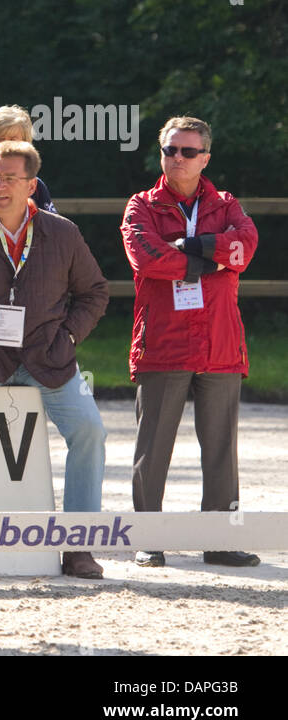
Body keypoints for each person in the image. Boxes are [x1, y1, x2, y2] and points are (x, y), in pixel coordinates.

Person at [0, 141, 109, 579]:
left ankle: (79, 547)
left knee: (90, 430)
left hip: (50, 359)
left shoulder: (62, 233)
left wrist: (67, 338)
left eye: (10, 177)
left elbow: (95, 292)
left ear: (31, 186)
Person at [120, 116, 260, 568]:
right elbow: (147, 259)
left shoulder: (226, 203)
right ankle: (148, 538)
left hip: (220, 342)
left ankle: (219, 541)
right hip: (164, 341)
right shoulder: (140, 206)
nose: (176, 159)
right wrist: (209, 261)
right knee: (153, 445)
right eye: (169, 150)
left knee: (221, 447)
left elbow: (246, 247)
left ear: (205, 158)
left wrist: (190, 243)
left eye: (187, 151)